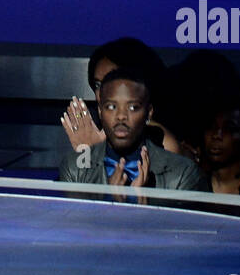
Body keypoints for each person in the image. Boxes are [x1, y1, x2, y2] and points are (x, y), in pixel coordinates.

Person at [59, 68, 207, 191]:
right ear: (100, 112)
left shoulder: (183, 174)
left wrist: (142, 211)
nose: (121, 116)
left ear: (149, 112)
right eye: (111, 107)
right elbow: (72, 224)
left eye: (132, 107)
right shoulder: (75, 169)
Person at [60, 37, 182, 158]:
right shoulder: (94, 132)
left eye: (113, 81)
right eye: (98, 85)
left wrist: (93, 153)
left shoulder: (164, 144)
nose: (102, 93)